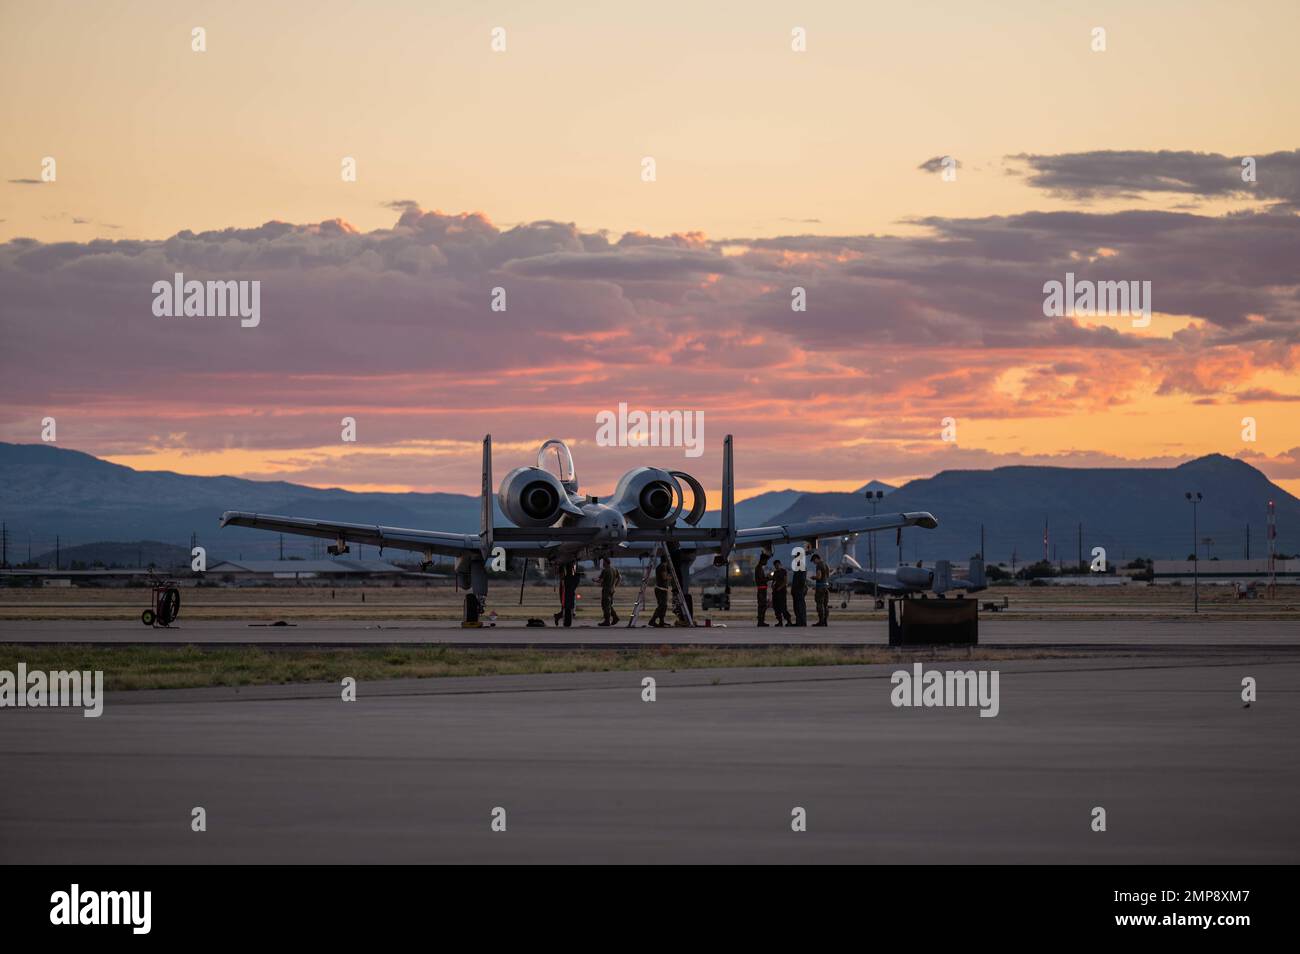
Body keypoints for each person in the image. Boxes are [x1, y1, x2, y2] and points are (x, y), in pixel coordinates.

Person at [598, 557, 621, 626]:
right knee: (609, 605)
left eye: (603, 563)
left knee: (605, 605)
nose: (602, 564)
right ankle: (615, 617)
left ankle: (607, 621)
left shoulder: (605, 570)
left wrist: (595, 580)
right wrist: (615, 586)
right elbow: (620, 577)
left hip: (606, 590)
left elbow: (601, 580)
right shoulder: (614, 569)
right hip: (612, 590)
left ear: (605, 563)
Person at [650, 555, 671, 627]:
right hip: (661, 589)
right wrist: (671, 576)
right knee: (662, 605)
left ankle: (662, 621)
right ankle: (652, 620)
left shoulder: (660, 566)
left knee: (663, 606)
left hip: (660, 589)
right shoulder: (663, 566)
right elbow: (664, 577)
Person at [770, 559, 793, 626]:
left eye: (777, 565)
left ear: (780, 564)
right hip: (775, 592)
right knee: (776, 607)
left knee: (783, 607)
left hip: (781, 592)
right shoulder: (775, 572)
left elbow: (785, 581)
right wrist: (772, 586)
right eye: (775, 565)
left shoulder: (783, 571)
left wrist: (780, 588)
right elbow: (773, 581)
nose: (776, 566)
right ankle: (780, 621)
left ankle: (789, 621)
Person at [811, 552, 830, 626]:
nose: (814, 563)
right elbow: (828, 575)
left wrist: (813, 577)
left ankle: (821, 621)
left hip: (820, 588)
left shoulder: (819, 565)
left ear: (816, 559)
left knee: (819, 604)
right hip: (826, 587)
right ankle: (825, 621)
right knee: (825, 605)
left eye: (813, 561)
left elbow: (819, 576)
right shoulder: (825, 564)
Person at [754, 552, 770, 626]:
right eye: (766, 561)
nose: (766, 562)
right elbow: (761, 580)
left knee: (762, 605)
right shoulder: (759, 568)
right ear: (763, 560)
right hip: (761, 590)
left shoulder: (759, 568)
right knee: (762, 605)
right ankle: (761, 621)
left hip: (762, 589)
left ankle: (761, 621)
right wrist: (768, 578)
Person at [791, 558, 808, 627]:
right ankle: (799, 621)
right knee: (797, 607)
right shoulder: (798, 567)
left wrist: (800, 589)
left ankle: (802, 622)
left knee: (800, 607)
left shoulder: (802, 567)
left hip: (799, 591)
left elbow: (802, 580)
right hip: (797, 590)